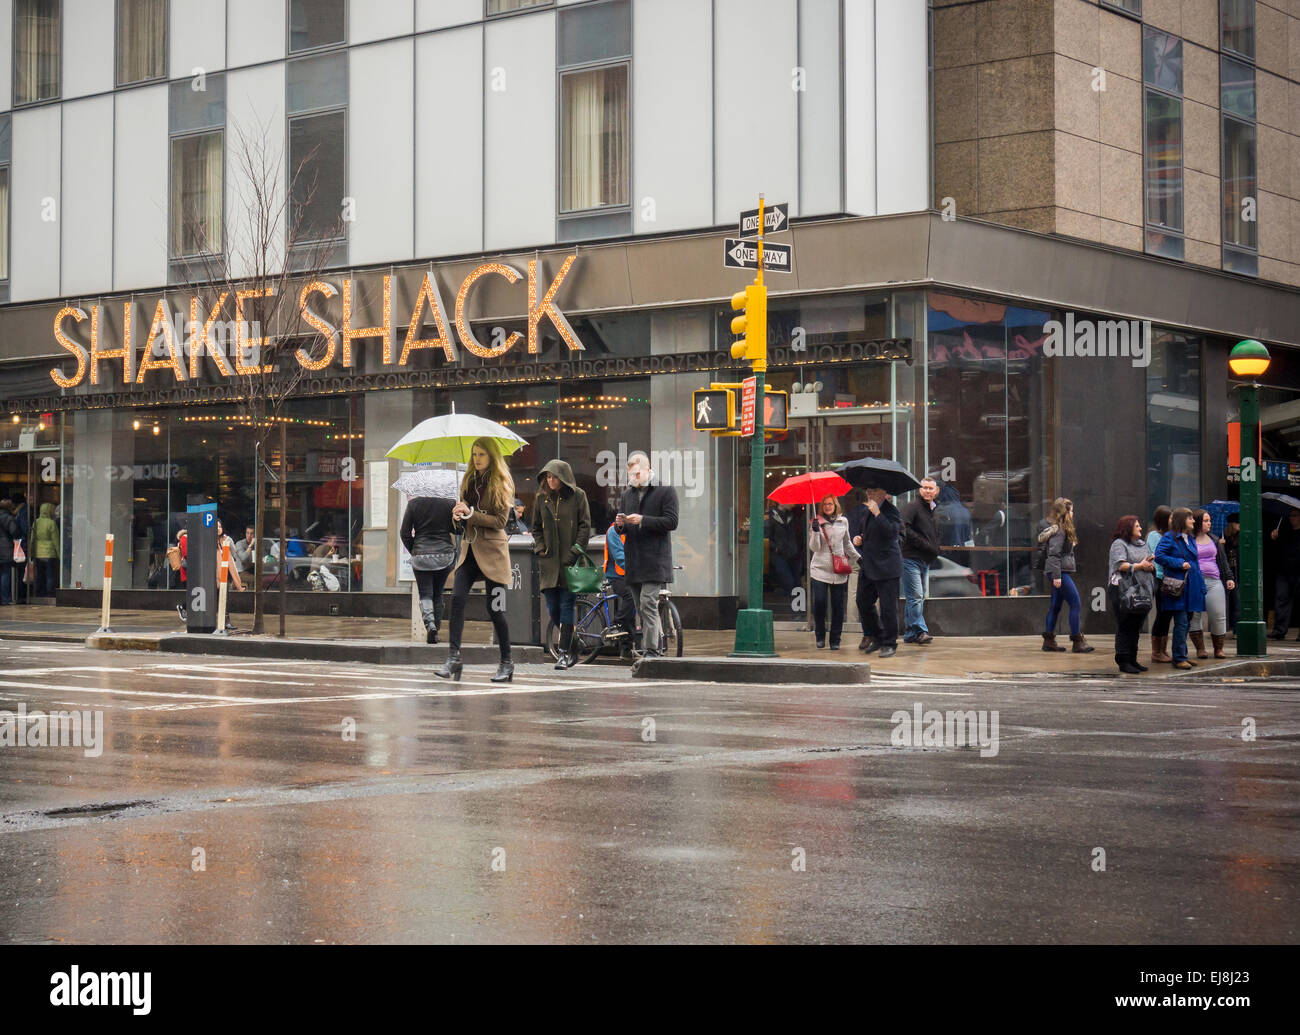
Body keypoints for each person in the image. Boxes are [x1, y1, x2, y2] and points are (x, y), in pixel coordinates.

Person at [436, 438, 515, 683]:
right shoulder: (468, 481)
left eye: (481, 454)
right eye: (474, 454)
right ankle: (453, 658)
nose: (477, 458)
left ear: (491, 456)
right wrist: (458, 516)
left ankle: (506, 662)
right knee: (457, 599)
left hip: (494, 553)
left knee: (496, 610)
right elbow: (462, 524)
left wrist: (471, 514)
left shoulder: (501, 483)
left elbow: (500, 522)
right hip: (469, 551)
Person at [616, 451, 679, 658]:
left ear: (648, 470)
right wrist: (620, 526)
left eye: (637, 474)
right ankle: (654, 647)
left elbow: (671, 521)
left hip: (655, 559)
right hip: (634, 559)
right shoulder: (627, 495)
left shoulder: (665, 491)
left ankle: (651, 650)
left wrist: (643, 520)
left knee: (647, 603)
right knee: (640, 607)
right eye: (631, 475)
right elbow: (624, 530)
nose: (633, 479)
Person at [532, 459, 592, 670]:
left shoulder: (578, 496)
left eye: (554, 476)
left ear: (563, 478)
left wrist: (575, 550)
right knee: (552, 608)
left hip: (570, 563)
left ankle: (564, 652)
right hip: (549, 563)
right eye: (548, 477)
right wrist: (540, 548)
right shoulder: (541, 499)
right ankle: (574, 643)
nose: (551, 480)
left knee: (567, 606)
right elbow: (536, 528)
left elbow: (585, 526)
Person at [399, 471, 459, 645]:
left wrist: (415, 550)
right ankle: (437, 629)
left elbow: (404, 533)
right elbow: (457, 530)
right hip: (444, 555)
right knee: (438, 593)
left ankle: (430, 625)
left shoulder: (414, 504)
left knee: (425, 593)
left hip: (421, 556)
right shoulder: (449, 503)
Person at [851, 487, 903, 658]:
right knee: (863, 601)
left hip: (887, 565)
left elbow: (892, 533)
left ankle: (890, 643)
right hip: (869, 564)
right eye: (867, 491)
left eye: (873, 491)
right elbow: (870, 534)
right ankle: (877, 635)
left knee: (888, 607)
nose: (869, 494)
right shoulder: (867, 511)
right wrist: (860, 539)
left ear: (883, 493)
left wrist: (878, 514)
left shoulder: (890, 511)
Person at [1155, 507, 1207, 670]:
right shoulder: (1169, 538)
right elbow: (1159, 556)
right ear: (1181, 520)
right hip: (1178, 588)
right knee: (1182, 623)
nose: (1193, 521)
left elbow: (1196, 564)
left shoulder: (1190, 538)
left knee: (1187, 622)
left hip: (1192, 587)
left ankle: (1182, 654)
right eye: (1190, 518)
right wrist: (1179, 564)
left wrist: (1202, 586)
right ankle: (1178, 658)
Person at [1041, 497, 1093, 653]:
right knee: (1075, 603)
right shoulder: (1060, 530)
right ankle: (1078, 642)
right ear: (1065, 512)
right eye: (1071, 510)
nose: (1073, 513)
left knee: (1056, 606)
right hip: (1059, 573)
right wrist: (1056, 576)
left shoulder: (1062, 529)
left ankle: (1049, 641)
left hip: (1058, 572)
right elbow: (1054, 554)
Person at [808, 494, 858, 650]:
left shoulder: (843, 521)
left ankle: (835, 639)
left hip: (838, 569)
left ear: (835, 505)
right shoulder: (817, 522)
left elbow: (847, 543)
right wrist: (815, 532)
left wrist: (858, 558)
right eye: (824, 505)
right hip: (820, 569)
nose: (827, 507)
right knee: (820, 602)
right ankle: (820, 636)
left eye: (830, 504)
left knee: (837, 606)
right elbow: (814, 548)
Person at [1109, 515, 1156, 673]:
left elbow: (1147, 563)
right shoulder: (1119, 544)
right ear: (1128, 528)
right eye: (1137, 526)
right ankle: (1123, 660)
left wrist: (1149, 564)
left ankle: (1133, 659)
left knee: (1136, 626)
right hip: (1123, 590)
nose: (1140, 528)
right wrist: (1140, 565)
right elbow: (1120, 565)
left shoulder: (1143, 545)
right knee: (1125, 625)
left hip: (1143, 590)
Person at [899, 477, 941, 644]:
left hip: (925, 559)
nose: (928, 491)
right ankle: (920, 630)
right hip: (911, 558)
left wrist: (935, 549)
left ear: (936, 491)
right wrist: (923, 544)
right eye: (924, 488)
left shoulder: (934, 510)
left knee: (917, 597)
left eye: (931, 488)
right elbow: (903, 527)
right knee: (916, 595)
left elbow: (936, 534)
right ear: (919, 490)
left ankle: (910, 633)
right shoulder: (912, 507)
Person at [1189, 508, 1235, 659]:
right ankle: (1200, 649)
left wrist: (1229, 578)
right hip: (1195, 582)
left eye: (1210, 520)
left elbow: (1223, 561)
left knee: (1218, 615)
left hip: (1214, 581)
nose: (1209, 523)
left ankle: (1218, 649)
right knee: (1195, 616)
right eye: (1206, 521)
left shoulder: (1215, 539)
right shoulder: (1188, 539)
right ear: (1197, 522)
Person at [603, 520, 637, 660]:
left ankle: (626, 650)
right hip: (617, 576)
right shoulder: (613, 531)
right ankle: (617, 623)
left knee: (632, 607)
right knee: (630, 596)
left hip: (630, 574)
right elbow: (620, 557)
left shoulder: (632, 531)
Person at [1146, 505, 1173, 663]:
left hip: (1167, 578)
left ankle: (1163, 649)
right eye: (1170, 518)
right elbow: (1159, 556)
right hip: (1159, 577)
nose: (1172, 520)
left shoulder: (1167, 535)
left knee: (1166, 614)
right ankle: (1156, 651)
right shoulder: (1154, 535)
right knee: (1162, 614)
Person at [1269, 508, 1300, 639]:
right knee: (1281, 600)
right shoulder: (1285, 531)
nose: (1291, 518)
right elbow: (1276, 552)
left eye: (1295, 516)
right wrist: (1274, 538)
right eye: (1290, 516)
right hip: (1284, 571)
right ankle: (1279, 630)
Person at [765, 503, 804, 597]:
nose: (792, 504)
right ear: (781, 502)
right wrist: (776, 548)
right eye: (789, 501)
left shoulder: (791, 516)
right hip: (778, 554)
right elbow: (767, 537)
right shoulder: (771, 517)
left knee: (797, 584)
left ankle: (797, 608)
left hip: (791, 553)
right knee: (788, 582)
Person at [31, 501, 59, 597]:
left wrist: (31, 553)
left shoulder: (36, 522)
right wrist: (59, 554)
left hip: (38, 553)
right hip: (49, 553)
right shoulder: (51, 523)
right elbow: (56, 540)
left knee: (40, 575)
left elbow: (32, 539)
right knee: (50, 576)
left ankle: (39, 593)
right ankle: (49, 594)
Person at [0, 499, 19, 605]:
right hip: (6, 548)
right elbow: (14, 532)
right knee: (5, 574)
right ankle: (5, 598)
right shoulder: (9, 518)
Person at [1223, 514, 1240, 634]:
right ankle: (1234, 629)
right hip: (1229, 574)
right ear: (1232, 524)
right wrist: (1221, 546)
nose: (1240, 525)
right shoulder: (1224, 539)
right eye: (1238, 523)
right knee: (1233, 601)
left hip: (1240, 573)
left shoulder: (1242, 537)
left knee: (1238, 601)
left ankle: (1237, 629)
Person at [11, 492, 28, 604]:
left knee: (22, 572)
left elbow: (23, 529)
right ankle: (20, 595)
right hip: (22, 544)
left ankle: (21, 596)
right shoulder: (22, 511)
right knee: (22, 572)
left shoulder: (22, 512)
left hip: (21, 545)